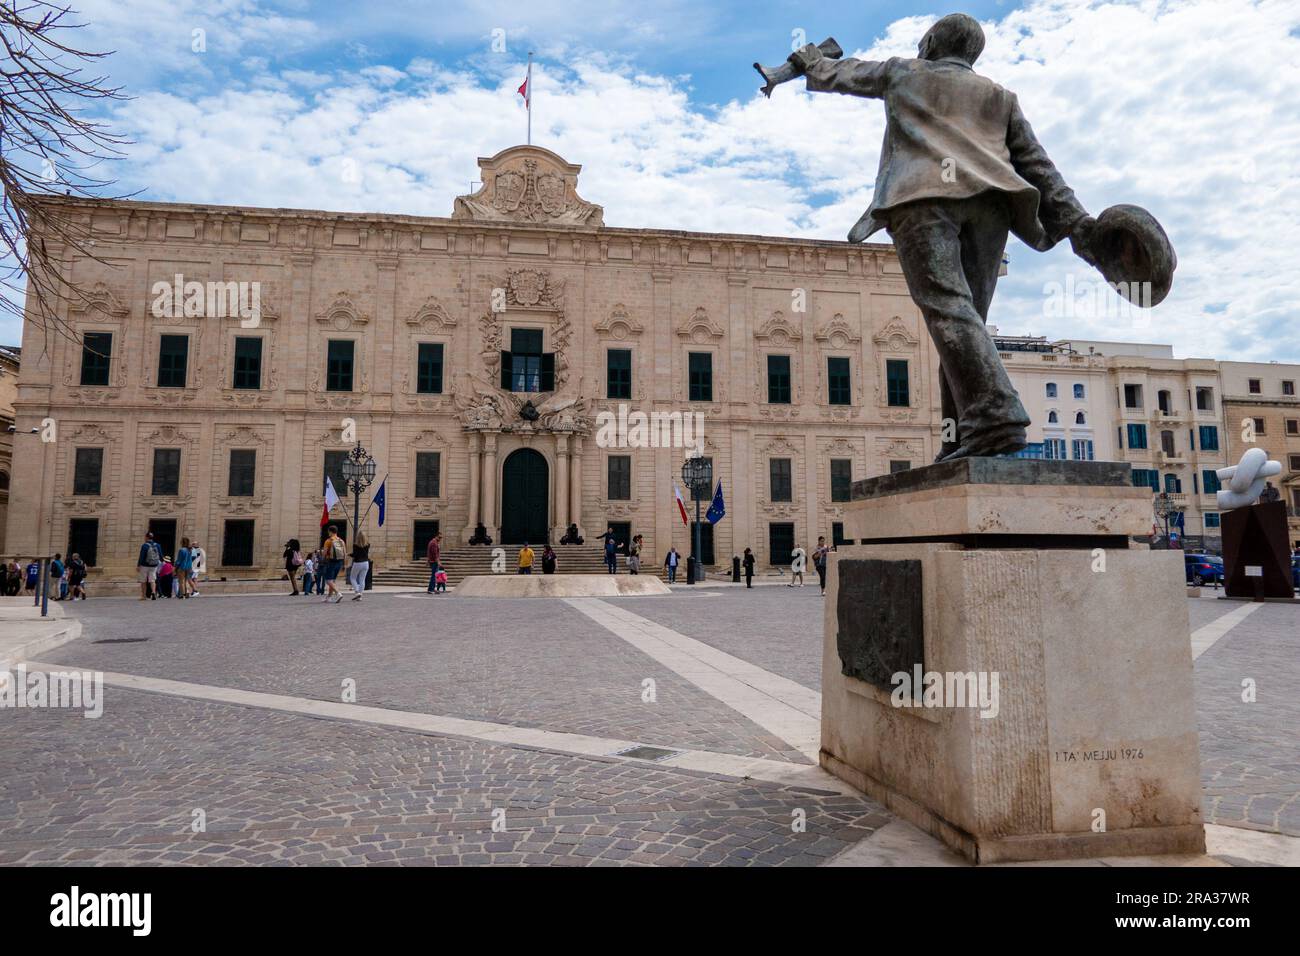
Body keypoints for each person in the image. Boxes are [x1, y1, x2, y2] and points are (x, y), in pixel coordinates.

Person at [787, 13, 1103, 460]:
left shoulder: (903, 71)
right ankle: (962, 437)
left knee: (949, 312)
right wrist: (1079, 224)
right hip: (993, 206)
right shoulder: (1000, 96)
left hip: (923, 200)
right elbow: (1038, 166)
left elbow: (843, 73)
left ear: (932, 40)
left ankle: (996, 417)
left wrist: (810, 59)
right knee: (962, 322)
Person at [321, 525, 346, 603]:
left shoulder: (328, 541)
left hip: (330, 561)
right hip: (339, 562)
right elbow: (345, 553)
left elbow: (324, 553)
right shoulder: (341, 541)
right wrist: (344, 564)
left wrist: (322, 557)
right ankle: (329, 597)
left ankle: (338, 593)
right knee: (332, 580)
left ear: (330, 531)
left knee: (328, 580)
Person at [137, 532, 162, 600]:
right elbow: (161, 556)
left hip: (145, 565)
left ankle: (144, 596)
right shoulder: (158, 545)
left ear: (147, 537)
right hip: (154, 565)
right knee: (152, 580)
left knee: (143, 581)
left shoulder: (144, 545)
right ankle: (153, 593)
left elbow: (141, 556)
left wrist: (138, 565)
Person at [348, 531, 370, 602]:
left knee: (352, 578)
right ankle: (360, 596)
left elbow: (355, 555)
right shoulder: (368, 545)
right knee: (362, 580)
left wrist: (348, 554)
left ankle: (357, 592)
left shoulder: (355, 545)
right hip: (366, 563)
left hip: (358, 563)